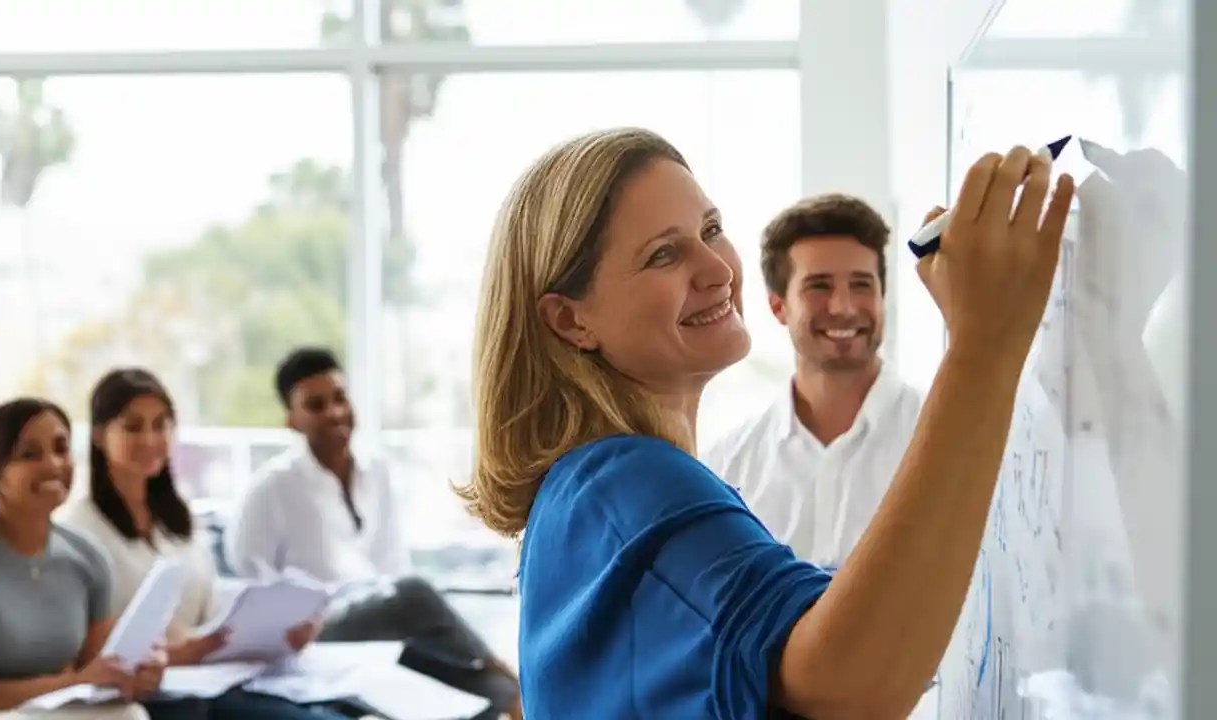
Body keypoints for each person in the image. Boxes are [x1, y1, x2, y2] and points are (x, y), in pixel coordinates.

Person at [458, 126, 1074, 717]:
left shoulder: (603, 488)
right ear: (571, 321)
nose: (719, 270)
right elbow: (850, 684)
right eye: (664, 255)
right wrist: (983, 342)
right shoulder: (625, 483)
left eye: (712, 229)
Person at [227, 348, 522, 720]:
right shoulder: (270, 488)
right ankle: (506, 668)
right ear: (292, 420)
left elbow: (392, 565)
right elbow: (252, 584)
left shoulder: (377, 472)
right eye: (316, 405)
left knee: (487, 693)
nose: (334, 412)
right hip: (315, 634)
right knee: (413, 594)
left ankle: (510, 688)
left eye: (340, 398)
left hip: (381, 622)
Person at [60, 368, 357, 720]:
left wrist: (276, 634)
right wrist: (189, 651)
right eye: (133, 426)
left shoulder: (178, 518)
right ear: (98, 435)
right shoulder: (80, 533)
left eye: (161, 424)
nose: (151, 438)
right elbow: (94, 657)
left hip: (212, 680)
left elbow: (212, 608)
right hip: (158, 698)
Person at [703, 194, 925, 569]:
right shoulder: (729, 467)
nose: (843, 306)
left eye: (861, 285)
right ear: (778, 307)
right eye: (819, 286)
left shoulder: (938, 437)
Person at [0, 398, 162, 720]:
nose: (54, 464)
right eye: (29, 454)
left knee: (130, 713)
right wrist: (68, 684)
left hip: (51, 715)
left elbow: (97, 678)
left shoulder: (88, 557)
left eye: (61, 449)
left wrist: (135, 677)